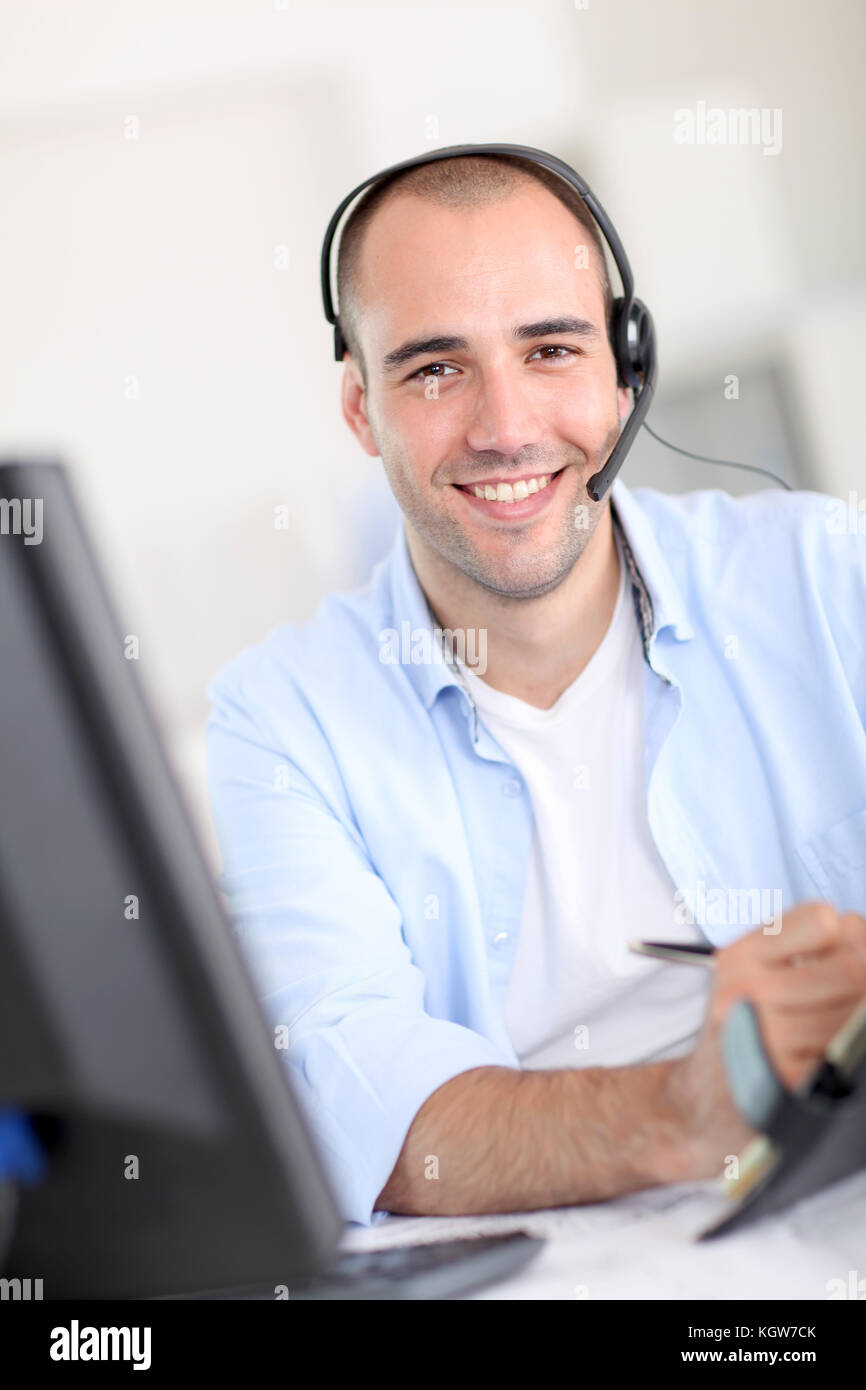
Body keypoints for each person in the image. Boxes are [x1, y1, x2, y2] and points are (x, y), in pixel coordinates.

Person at [206, 150, 866, 1226]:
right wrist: (691, 1109)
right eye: (432, 370)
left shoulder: (824, 577)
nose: (504, 427)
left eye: (550, 349)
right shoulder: (281, 725)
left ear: (624, 369)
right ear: (361, 408)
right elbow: (365, 1117)